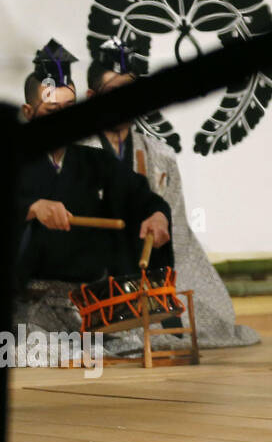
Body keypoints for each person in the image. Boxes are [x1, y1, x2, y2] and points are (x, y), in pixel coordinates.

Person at [83, 36, 259, 350]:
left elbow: (174, 220)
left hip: (151, 255)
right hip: (98, 258)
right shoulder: (78, 154)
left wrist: (159, 224)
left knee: (211, 315)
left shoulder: (159, 155)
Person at [13, 40, 174, 360]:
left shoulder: (93, 161)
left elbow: (138, 195)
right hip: (25, 301)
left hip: (86, 300)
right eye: (51, 112)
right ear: (28, 112)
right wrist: (31, 208)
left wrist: (156, 214)